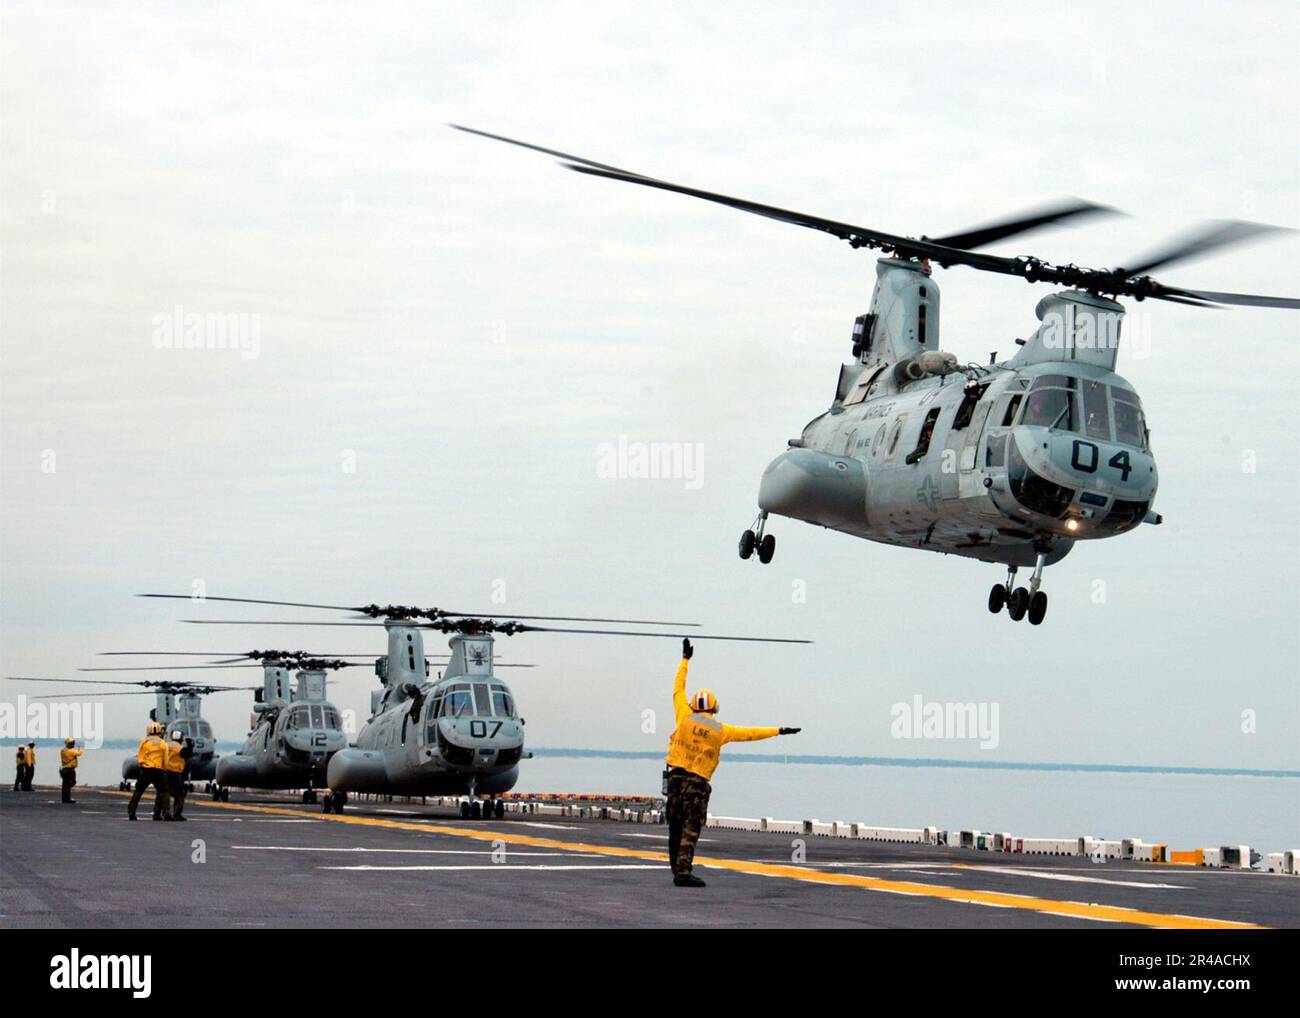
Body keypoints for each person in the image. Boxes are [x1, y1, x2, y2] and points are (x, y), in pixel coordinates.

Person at [664, 639, 800, 887]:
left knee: (675, 825)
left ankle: (676, 868)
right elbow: (750, 733)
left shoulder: (684, 716)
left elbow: (677, 689)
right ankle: (683, 872)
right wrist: (779, 730)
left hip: (674, 778)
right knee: (690, 827)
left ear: (694, 705)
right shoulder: (720, 730)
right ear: (714, 707)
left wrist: (685, 660)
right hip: (696, 784)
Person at [127, 721, 171, 821]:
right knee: (164, 792)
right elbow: (166, 759)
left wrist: (142, 766)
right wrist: (164, 769)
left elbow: (140, 756)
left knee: (138, 791)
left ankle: (131, 812)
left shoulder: (144, 742)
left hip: (146, 770)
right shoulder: (163, 743)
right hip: (158, 770)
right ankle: (166, 814)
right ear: (160, 730)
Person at [165, 728, 193, 820]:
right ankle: (177, 814)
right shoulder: (179, 748)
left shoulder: (166, 745)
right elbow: (187, 754)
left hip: (165, 772)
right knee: (180, 795)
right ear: (181, 738)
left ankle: (161, 814)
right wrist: (190, 744)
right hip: (176, 773)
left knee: (164, 793)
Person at [59, 737, 83, 803]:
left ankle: (65, 798)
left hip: (64, 769)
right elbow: (79, 753)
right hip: (69, 770)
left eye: (73, 743)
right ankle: (67, 799)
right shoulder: (71, 751)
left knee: (65, 785)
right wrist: (80, 748)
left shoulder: (63, 751)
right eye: (71, 743)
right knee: (70, 783)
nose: (72, 744)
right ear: (68, 744)